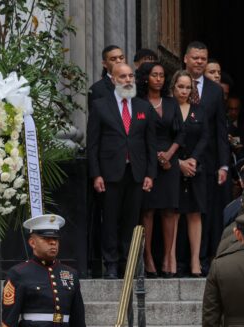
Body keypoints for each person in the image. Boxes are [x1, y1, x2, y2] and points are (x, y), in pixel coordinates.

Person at [87, 63, 157, 279]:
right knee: (109, 219)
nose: (128, 80)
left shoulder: (143, 107)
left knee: (131, 220)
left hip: (136, 173)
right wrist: (96, 174)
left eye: (131, 76)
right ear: (114, 80)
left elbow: (150, 145)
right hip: (109, 174)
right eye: (123, 76)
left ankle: (130, 262)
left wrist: (150, 174)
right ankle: (111, 264)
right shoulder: (100, 106)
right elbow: (93, 144)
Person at [183, 41, 231, 270]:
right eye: (195, 57)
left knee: (206, 210)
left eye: (203, 58)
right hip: (180, 157)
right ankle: (182, 260)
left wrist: (224, 164)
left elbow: (221, 129)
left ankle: (202, 259)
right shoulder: (177, 84)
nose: (200, 62)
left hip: (209, 161)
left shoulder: (214, 90)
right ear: (186, 59)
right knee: (180, 209)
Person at [137, 62, 183, 278]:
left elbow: (180, 134)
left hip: (170, 162)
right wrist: (156, 156)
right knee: (148, 211)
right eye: (154, 75)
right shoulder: (139, 102)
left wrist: (169, 155)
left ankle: (167, 257)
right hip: (148, 160)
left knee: (169, 210)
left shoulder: (172, 103)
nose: (159, 79)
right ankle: (148, 258)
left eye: (162, 75)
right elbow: (139, 134)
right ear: (146, 78)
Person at [171, 70, 208, 277]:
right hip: (172, 169)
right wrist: (178, 163)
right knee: (173, 214)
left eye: (187, 87)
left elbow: (205, 138)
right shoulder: (167, 109)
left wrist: (193, 159)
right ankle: (172, 260)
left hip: (196, 169)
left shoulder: (199, 111)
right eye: (180, 86)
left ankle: (195, 261)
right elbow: (163, 139)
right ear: (173, 87)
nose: (184, 91)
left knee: (195, 214)